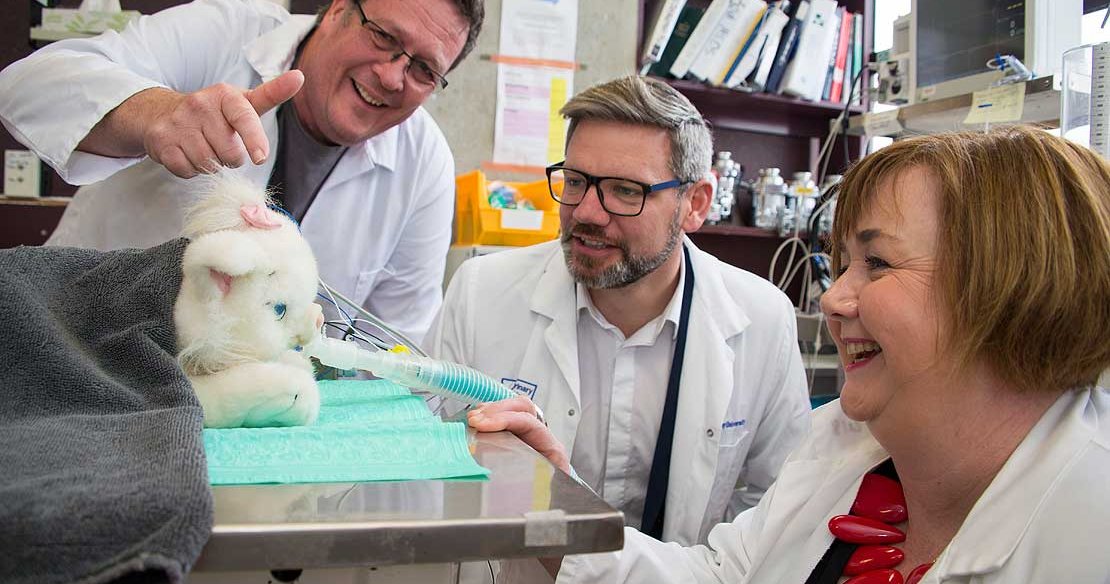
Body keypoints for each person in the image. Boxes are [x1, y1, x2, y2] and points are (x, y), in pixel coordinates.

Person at [472, 126, 1110, 583]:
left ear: (1013, 289)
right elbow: (721, 575)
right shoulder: (844, 448)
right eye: (842, 265)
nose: (833, 300)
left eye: (878, 263)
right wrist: (557, 509)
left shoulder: (1088, 528)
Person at [426, 75, 811, 548]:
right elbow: (427, 464)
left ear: (695, 204)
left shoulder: (763, 318)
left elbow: (779, 501)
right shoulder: (480, 293)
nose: (587, 211)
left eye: (626, 191)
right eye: (576, 181)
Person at [0, 0, 484, 343]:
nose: (392, 75)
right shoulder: (225, 35)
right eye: (384, 37)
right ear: (338, 8)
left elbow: (397, 345)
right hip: (79, 344)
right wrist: (153, 113)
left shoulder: (424, 165)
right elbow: (26, 83)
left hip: (247, 419)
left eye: (423, 69)